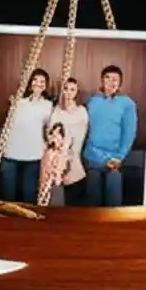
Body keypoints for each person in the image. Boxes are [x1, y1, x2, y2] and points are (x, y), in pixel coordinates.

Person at [0, 68, 53, 202]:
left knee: (28, 196)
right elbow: (9, 126)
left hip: (33, 156)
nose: (38, 83)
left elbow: (51, 130)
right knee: (8, 197)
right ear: (30, 83)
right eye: (35, 80)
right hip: (11, 155)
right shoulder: (18, 103)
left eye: (42, 81)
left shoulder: (48, 106)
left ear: (46, 85)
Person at [81, 64, 137, 206]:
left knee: (113, 196)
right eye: (108, 78)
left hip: (114, 160)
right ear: (102, 81)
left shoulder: (127, 104)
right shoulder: (92, 101)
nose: (111, 83)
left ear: (120, 83)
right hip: (92, 158)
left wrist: (119, 157)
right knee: (91, 198)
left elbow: (129, 134)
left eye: (115, 80)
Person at [49, 77, 89, 205]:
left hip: (76, 164)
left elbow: (81, 136)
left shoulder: (82, 112)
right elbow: (51, 137)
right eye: (65, 89)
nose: (68, 92)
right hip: (59, 166)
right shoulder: (56, 111)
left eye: (72, 89)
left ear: (76, 92)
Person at [38, 121, 70, 206]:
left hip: (56, 185)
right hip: (44, 187)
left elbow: (62, 169)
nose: (55, 137)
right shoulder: (47, 152)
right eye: (53, 134)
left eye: (58, 135)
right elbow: (45, 170)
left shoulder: (63, 154)